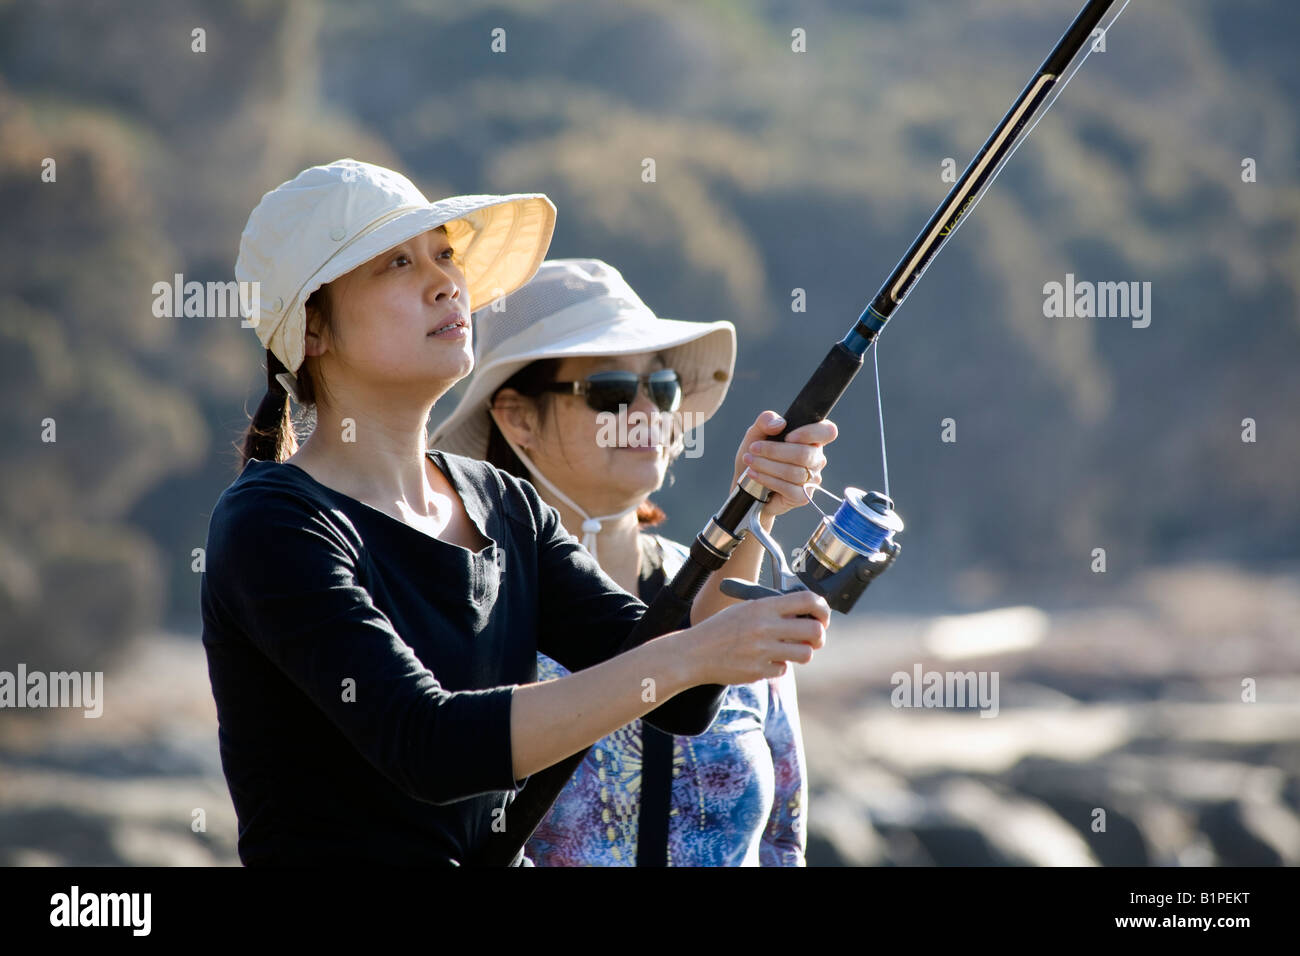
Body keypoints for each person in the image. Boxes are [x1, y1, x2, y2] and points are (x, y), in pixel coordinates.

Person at [200, 158, 830, 866]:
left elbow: (678, 695)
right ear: (313, 330)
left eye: (444, 254)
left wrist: (754, 509)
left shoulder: (503, 505)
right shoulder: (273, 523)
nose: (445, 281)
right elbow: (427, 746)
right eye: (396, 264)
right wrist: (694, 653)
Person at [432, 259, 836, 866]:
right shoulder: (471, 601)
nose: (648, 411)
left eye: (663, 388)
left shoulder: (737, 586)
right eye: (612, 392)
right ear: (516, 417)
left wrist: (754, 511)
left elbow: (785, 833)